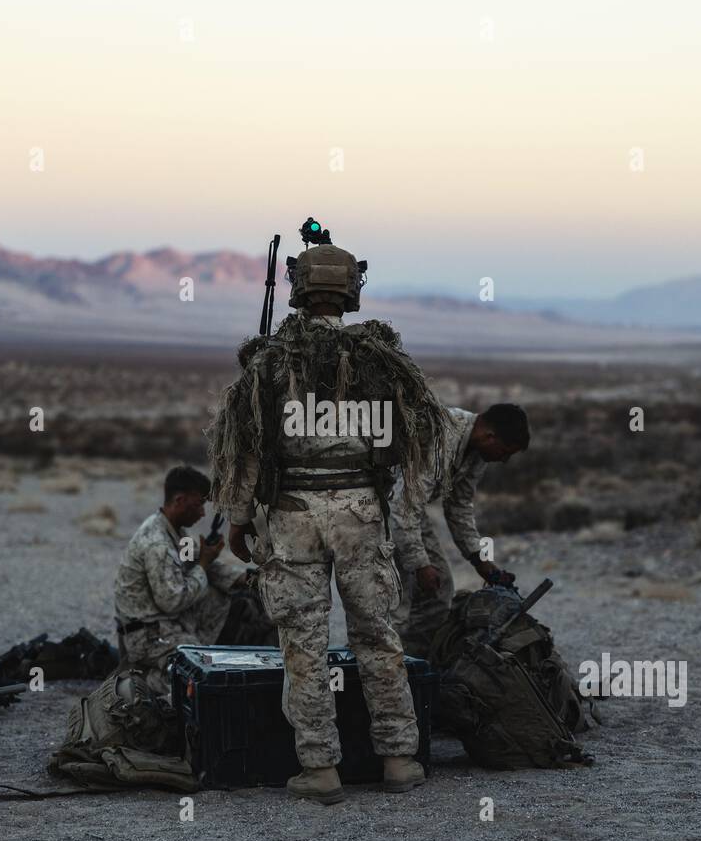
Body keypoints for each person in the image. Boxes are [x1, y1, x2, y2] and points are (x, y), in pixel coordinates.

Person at [208, 231, 450, 804]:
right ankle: (397, 758)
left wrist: (239, 519)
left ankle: (319, 768)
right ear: (351, 291)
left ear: (297, 289)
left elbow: (245, 447)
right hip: (361, 509)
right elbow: (416, 437)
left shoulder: (271, 363)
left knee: (303, 642)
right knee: (377, 633)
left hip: (292, 512)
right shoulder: (380, 359)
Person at [391, 403, 530, 658]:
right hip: (379, 507)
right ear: (490, 436)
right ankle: (374, 671)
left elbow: (459, 506)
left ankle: (417, 668)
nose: (503, 459)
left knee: (438, 591)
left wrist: (481, 562)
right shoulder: (442, 435)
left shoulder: (477, 451)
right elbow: (403, 506)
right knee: (396, 600)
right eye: (504, 452)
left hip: (408, 511)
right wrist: (420, 565)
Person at [114, 466, 249, 697]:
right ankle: (143, 679)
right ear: (179, 500)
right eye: (198, 505)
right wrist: (205, 563)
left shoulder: (174, 531)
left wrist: (243, 578)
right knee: (198, 676)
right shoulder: (157, 544)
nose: (203, 514)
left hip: (165, 622)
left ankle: (180, 659)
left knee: (230, 600)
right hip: (148, 634)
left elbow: (194, 562)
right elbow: (172, 600)